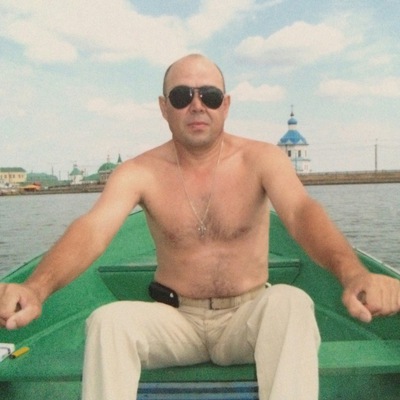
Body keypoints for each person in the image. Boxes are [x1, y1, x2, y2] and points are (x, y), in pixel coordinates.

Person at [1, 54, 399, 400]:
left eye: (209, 95)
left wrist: (353, 274)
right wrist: (36, 288)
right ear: (164, 107)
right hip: (176, 320)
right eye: (181, 96)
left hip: (248, 316)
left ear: (226, 105)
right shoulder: (140, 171)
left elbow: (300, 213)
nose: (196, 105)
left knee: (291, 303)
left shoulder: (260, 159)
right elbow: (94, 230)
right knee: (108, 322)